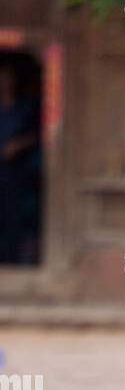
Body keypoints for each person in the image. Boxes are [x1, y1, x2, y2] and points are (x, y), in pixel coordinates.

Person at [0, 60, 40, 266]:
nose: (4, 81)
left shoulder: (25, 107)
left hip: (15, 170)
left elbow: (38, 135)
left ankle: (11, 261)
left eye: (7, 77)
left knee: (13, 216)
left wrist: (18, 145)